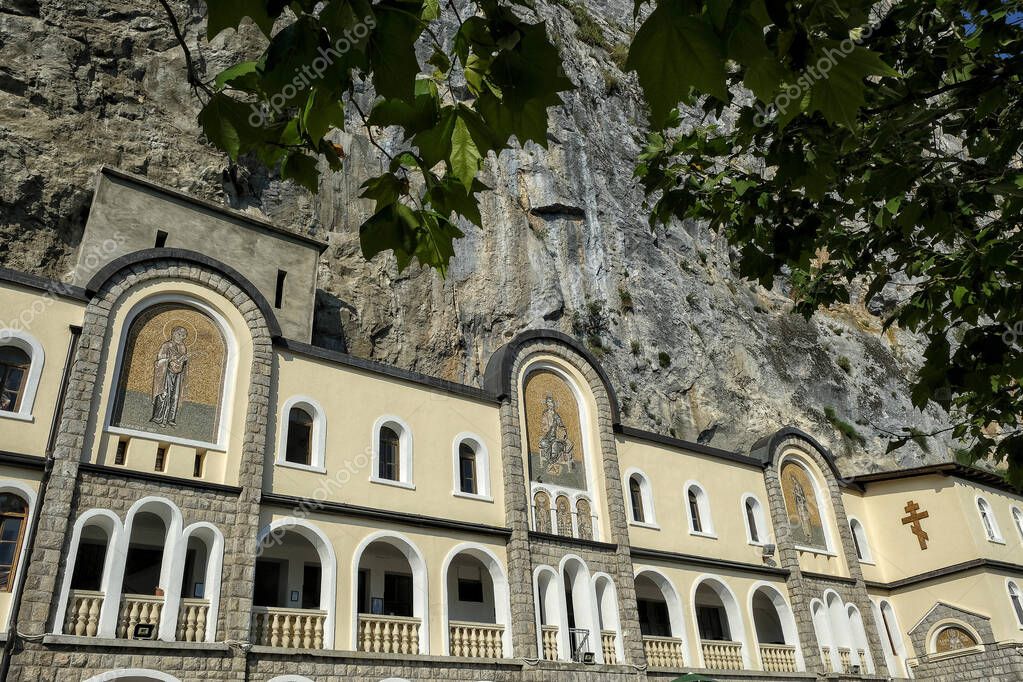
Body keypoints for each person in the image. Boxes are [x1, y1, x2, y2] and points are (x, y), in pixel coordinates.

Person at [151, 326, 190, 426]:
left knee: (175, 396)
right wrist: (171, 360)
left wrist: (182, 361)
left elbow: (183, 362)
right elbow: (160, 359)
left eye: (183, 336)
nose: (181, 337)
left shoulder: (182, 347)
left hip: (177, 374)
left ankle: (170, 418)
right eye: (179, 334)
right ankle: (159, 418)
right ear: (173, 334)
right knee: (165, 394)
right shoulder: (167, 345)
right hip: (166, 373)